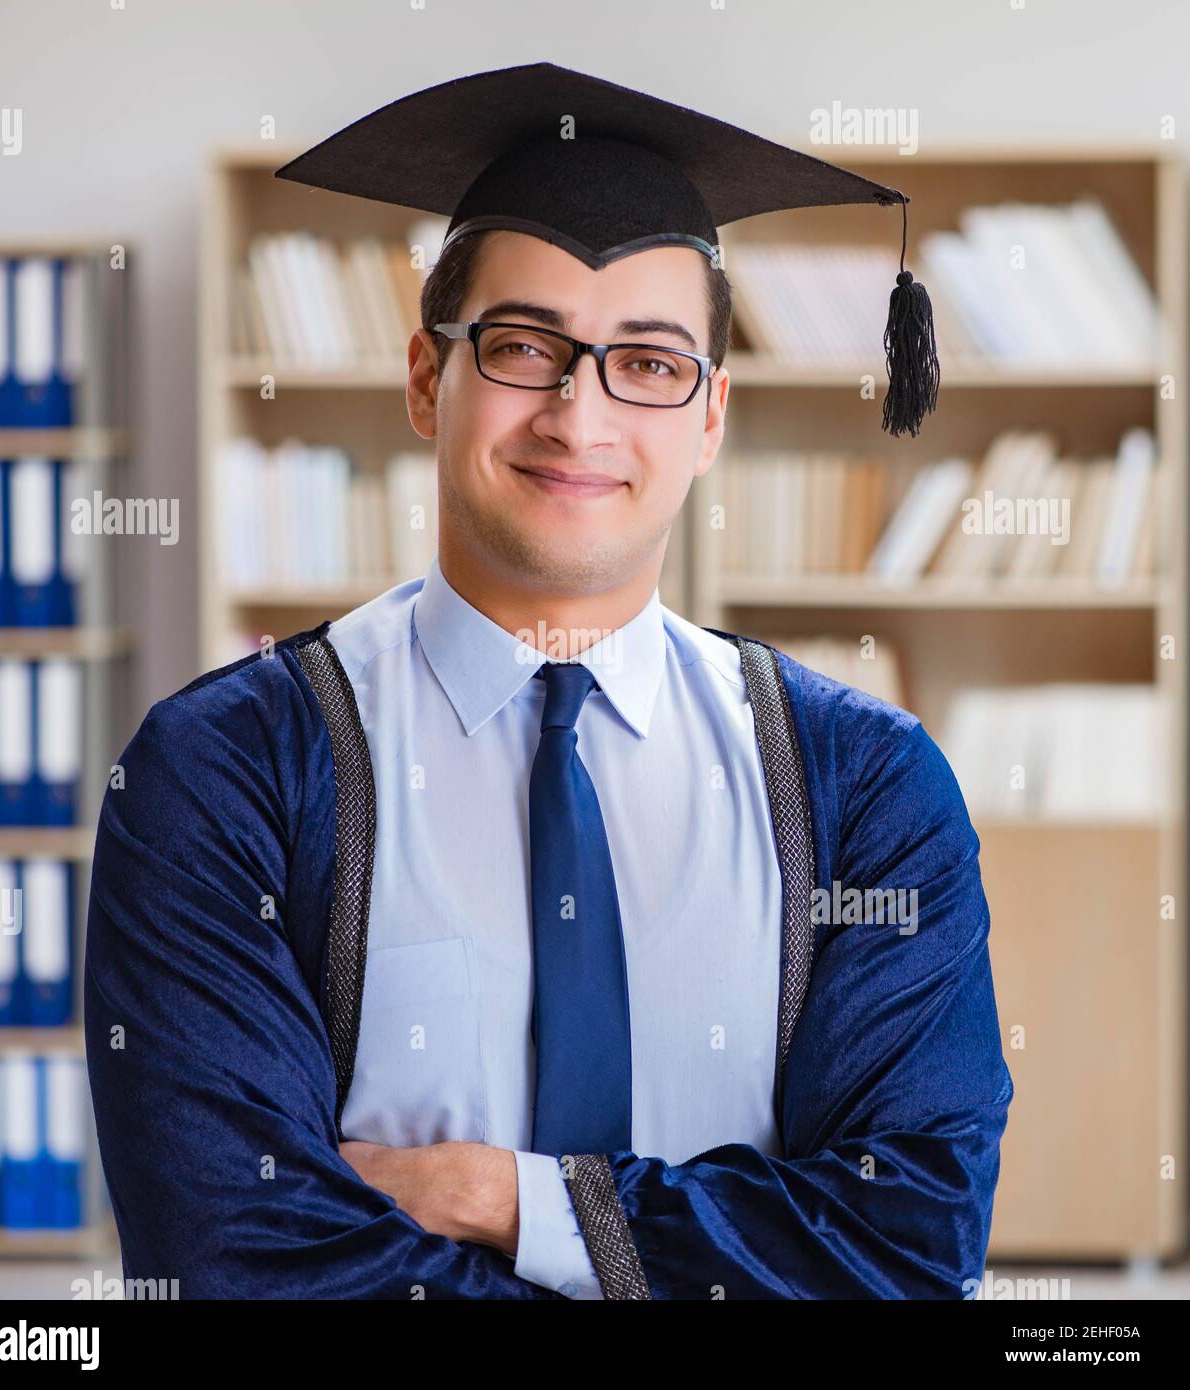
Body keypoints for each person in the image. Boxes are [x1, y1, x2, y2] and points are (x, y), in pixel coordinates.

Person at [84, 62, 1011, 1300]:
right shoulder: (228, 771)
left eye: (650, 364)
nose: (580, 417)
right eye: (524, 348)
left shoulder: (865, 788)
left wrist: (504, 1197)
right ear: (428, 379)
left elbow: (907, 1242)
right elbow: (239, 1263)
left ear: (711, 417)